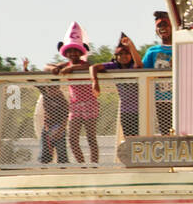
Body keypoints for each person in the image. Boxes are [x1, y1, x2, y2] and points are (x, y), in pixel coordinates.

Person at [47, 21, 100, 163]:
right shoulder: (65, 64)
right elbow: (47, 66)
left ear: (80, 51)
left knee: (90, 137)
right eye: (69, 51)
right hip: (75, 105)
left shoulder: (83, 65)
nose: (72, 54)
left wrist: (72, 69)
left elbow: (89, 67)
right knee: (72, 139)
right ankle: (82, 164)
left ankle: (94, 164)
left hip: (89, 103)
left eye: (75, 51)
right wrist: (54, 68)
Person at [91, 34, 141, 138]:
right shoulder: (114, 66)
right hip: (126, 110)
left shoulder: (133, 66)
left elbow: (139, 65)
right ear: (116, 56)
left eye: (127, 53)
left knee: (139, 139)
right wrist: (95, 82)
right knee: (128, 138)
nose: (123, 56)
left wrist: (131, 45)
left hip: (139, 110)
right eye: (120, 54)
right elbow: (93, 67)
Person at [144, 11, 174, 134]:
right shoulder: (152, 51)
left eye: (165, 25)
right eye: (159, 26)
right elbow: (142, 70)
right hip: (161, 100)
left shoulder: (181, 47)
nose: (162, 29)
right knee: (166, 132)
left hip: (180, 98)